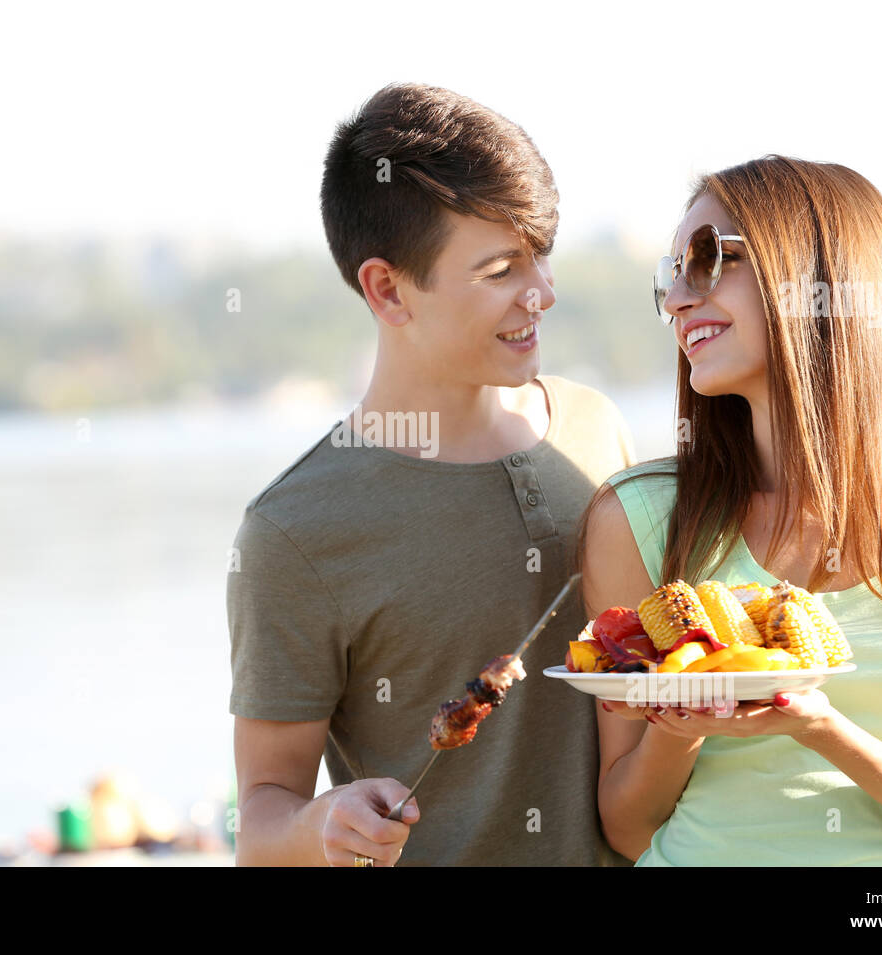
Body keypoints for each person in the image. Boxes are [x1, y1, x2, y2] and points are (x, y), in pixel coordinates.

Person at [579, 155, 882, 866]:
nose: (676, 299)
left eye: (705, 260)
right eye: (670, 275)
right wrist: (679, 723)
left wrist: (823, 730)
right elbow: (631, 829)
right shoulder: (637, 517)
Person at [227, 82, 637, 866]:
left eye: (541, 255)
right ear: (387, 289)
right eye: (501, 269)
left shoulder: (598, 427)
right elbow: (261, 822)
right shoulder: (293, 530)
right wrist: (322, 823)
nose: (542, 293)